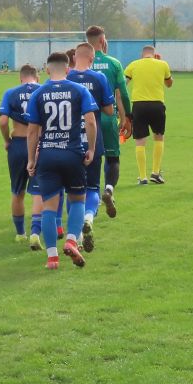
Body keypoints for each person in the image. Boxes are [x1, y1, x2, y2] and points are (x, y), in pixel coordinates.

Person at [25, 52, 99, 269]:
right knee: (77, 199)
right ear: (69, 68)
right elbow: (91, 121)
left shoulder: (38, 94)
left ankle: (52, 258)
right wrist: (91, 149)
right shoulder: (79, 90)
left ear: (47, 70)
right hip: (72, 153)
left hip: (47, 155)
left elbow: (32, 131)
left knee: (49, 206)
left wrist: (31, 159)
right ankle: (71, 240)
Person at [68, 43, 115, 250]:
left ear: (74, 57)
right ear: (92, 58)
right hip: (91, 140)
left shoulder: (64, 79)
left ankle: (76, 235)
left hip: (68, 142)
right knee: (93, 186)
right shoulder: (99, 78)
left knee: (72, 190)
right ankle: (88, 218)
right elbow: (108, 110)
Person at [87, 26, 132, 216]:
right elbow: (123, 92)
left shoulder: (79, 64)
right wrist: (127, 116)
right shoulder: (113, 63)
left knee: (89, 159)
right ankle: (109, 189)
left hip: (85, 120)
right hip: (108, 117)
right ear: (103, 41)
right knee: (113, 158)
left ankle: (91, 202)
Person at [0, 64, 42, 248]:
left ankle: (20, 233)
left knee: (17, 191)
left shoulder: (11, 92)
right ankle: (35, 232)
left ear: (20, 78)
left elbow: (2, 121)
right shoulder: (43, 90)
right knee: (38, 191)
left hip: (17, 144)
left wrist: (7, 139)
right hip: (39, 145)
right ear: (37, 77)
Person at [124, 45, 172, 185]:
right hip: (157, 105)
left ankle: (143, 176)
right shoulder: (162, 64)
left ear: (142, 54)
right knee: (158, 137)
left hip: (139, 105)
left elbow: (124, 83)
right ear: (154, 54)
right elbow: (169, 84)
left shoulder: (134, 65)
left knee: (140, 140)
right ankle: (155, 173)